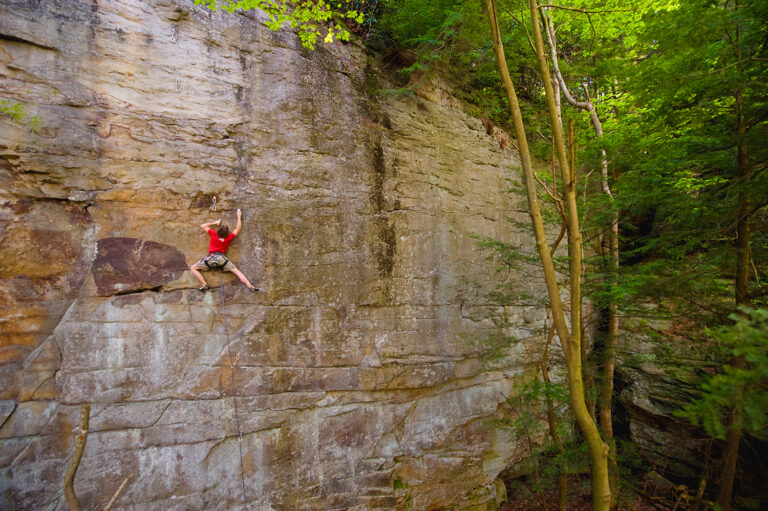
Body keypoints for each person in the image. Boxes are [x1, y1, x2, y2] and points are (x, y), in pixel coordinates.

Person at [189, 208, 258, 292]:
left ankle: (204, 285)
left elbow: (203, 226)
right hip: (222, 259)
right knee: (237, 271)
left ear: (218, 231)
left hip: (211, 258)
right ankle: (250, 286)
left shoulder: (214, 234)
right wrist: (238, 216)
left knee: (193, 268)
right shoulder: (229, 238)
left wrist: (215, 223)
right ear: (227, 233)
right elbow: (238, 228)